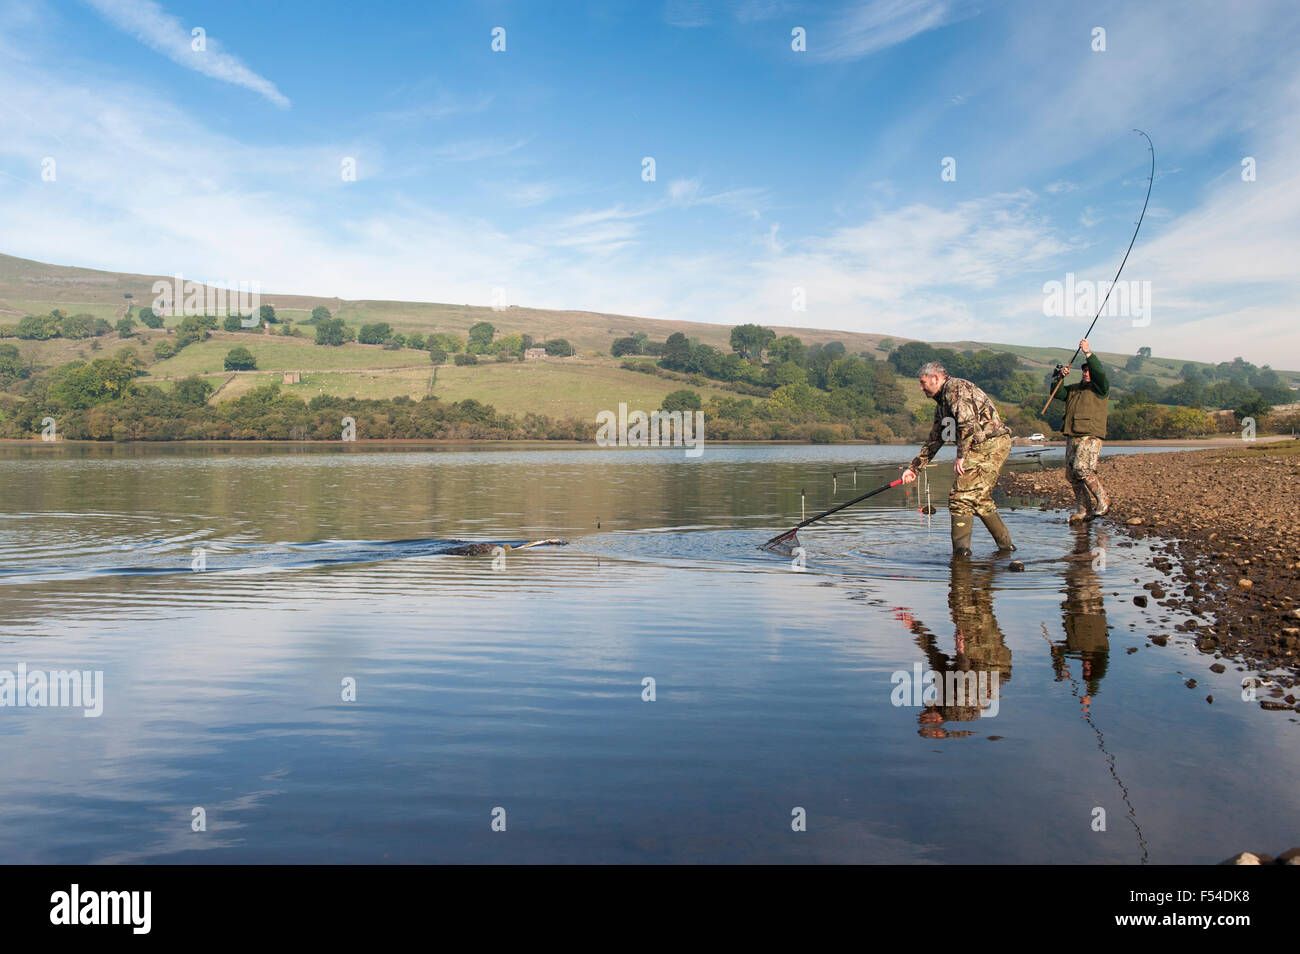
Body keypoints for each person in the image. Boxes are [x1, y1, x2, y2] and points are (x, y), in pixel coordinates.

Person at [901, 361, 1014, 556]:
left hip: (991, 445)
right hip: (979, 447)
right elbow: (936, 439)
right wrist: (914, 468)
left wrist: (961, 456)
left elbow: (966, 424)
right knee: (978, 500)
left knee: (960, 499)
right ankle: (1007, 549)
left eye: (923, 382)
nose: (921, 388)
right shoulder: (942, 403)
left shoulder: (956, 389)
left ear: (936, 378)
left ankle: (961, 556)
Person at [1052, 338, 1111, 522]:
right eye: (1084, 371)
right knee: (1071, 475)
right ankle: (1085, 510)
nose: (1086, 373)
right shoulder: (1074, 389)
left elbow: (1099, 373)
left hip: (1091, 435)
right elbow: (1058, 393)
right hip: (1072, 435)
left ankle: (1103, 500)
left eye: (1088, 371)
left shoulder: (1101, 388)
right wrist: (1059, 378)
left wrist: (1088, 353)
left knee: (1082, 468)